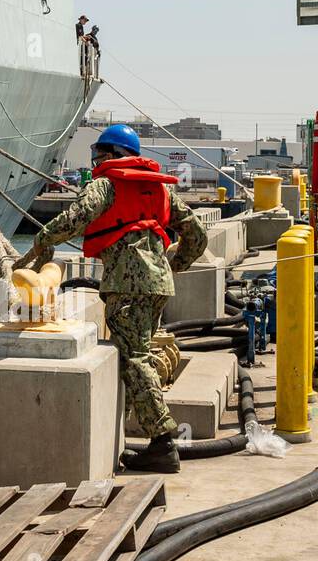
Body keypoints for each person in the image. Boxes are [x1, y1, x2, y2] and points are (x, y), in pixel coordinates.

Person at [17, 124, 208, 472]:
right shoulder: (159, 189)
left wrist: (43, 240)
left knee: (135, 359)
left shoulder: (107, 184)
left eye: (99, 154)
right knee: (141, 354)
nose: (96, 161)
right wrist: (172, 265)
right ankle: (151, 438)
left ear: (114, 156)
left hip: (127, 286)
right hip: (157, 286)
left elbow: (78, 216)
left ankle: (163, 443)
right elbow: (196, 233)